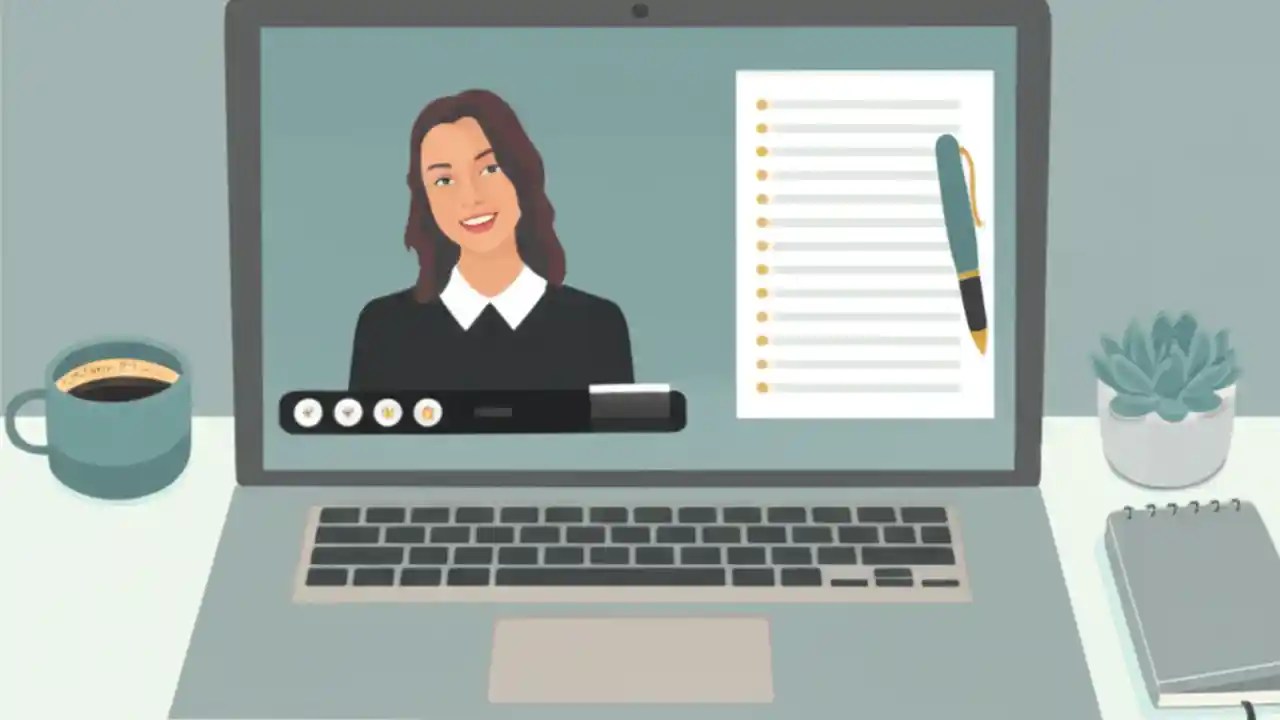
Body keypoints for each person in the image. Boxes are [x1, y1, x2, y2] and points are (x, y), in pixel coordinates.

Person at [348, 89, 635, 391]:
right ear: (425, 199)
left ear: (522, 173)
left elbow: (621, 438)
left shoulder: (596, 326)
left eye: (489, 169)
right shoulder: (385, 329)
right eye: (444, 180)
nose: (470, 198)